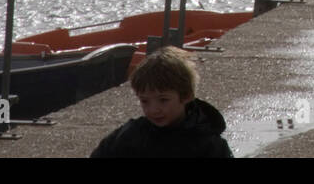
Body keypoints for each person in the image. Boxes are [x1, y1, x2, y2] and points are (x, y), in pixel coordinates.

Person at [90, 46, 233, 157]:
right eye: (145, 101)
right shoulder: (130, 136)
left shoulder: (208, 144)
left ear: (186, 96)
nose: (153, 109)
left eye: (163, 100)